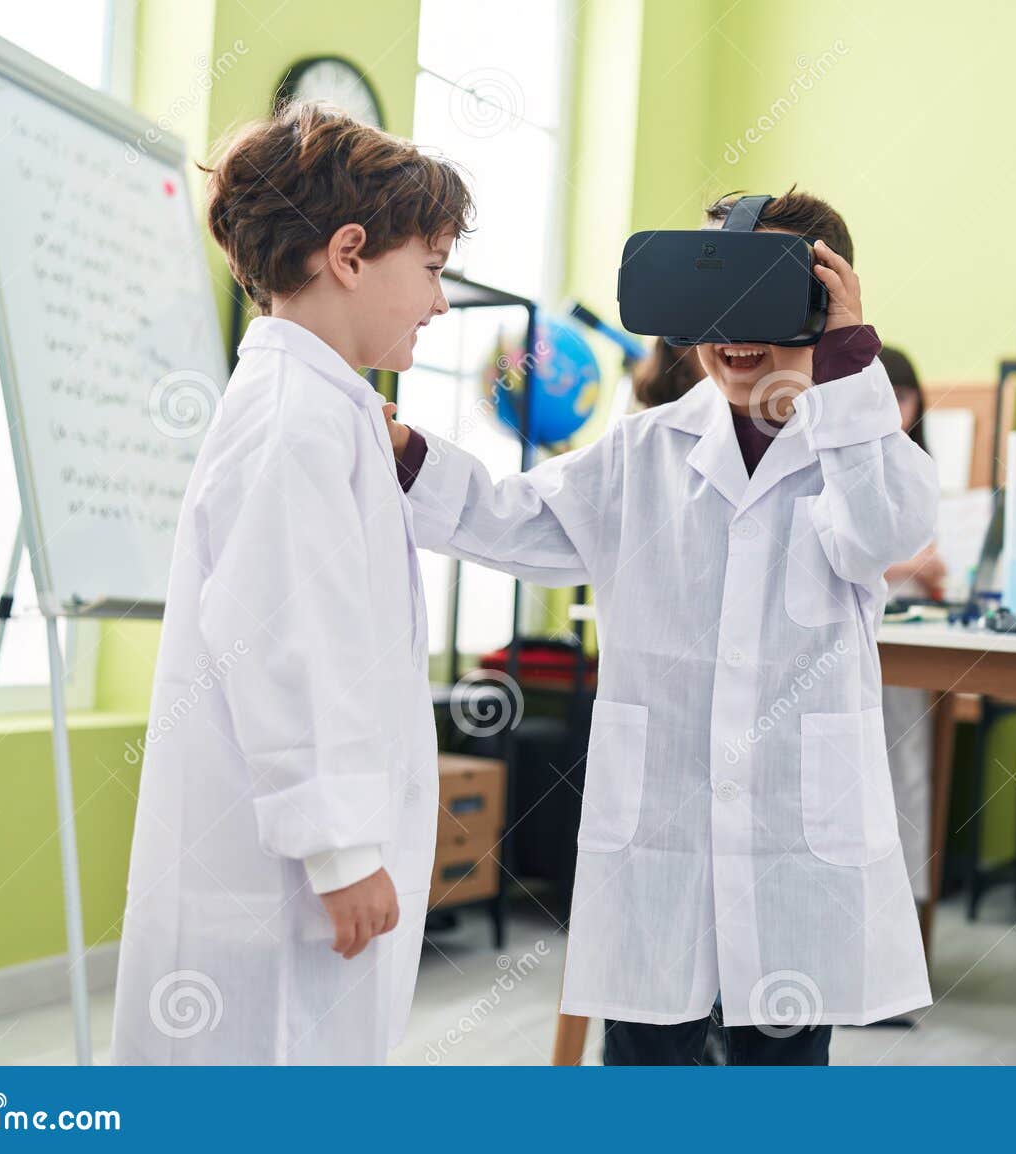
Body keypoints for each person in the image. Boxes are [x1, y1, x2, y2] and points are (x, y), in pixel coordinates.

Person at [390, 189, 939, 1064]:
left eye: (763, 299)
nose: (734, 332)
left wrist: (848, 361)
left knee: (780, 1063)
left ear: (824, 303)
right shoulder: (644, 450)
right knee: (648, 1055)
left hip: (796, 832)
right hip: (662, 826)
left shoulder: (859, 451)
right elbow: (512, 516)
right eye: (709, 300)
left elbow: (878, 530)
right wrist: (409, 455)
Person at [111, 102, 472, 1064]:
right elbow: (285, 641)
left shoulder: (328, 407)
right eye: (432, 270)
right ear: (349, 253)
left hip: (309, 862)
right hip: (287, 880)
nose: (441, 304)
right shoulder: (293, 419)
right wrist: (344, 849)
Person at [877, 345, 942, 907]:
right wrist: (913, 565)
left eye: (901, 396)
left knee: (906, 762)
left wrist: (934, 572)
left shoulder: (921, 469)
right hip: (865, 627)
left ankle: (904, 903)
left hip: (914, 628)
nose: (894, 408)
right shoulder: (844, 457)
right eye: (883, 395)